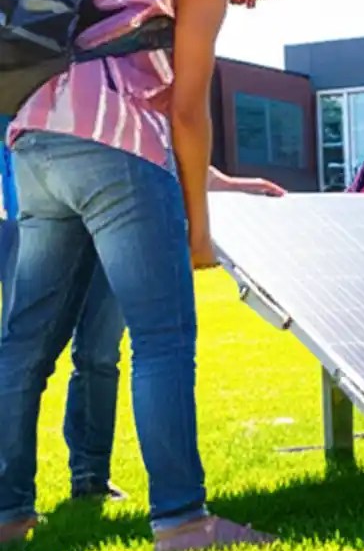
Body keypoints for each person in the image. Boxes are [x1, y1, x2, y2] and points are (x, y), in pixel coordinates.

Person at [0, 0, 285, 551]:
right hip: (113, 148)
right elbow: (186, 111)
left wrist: (221, 184)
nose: (249, 1)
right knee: (163, 339)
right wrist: (199, 233)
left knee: (21, 348)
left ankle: (8, 513)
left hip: (37, 142)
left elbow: (123, 79)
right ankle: (183, 522)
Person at [0, 161, 284, 505]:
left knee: (99, 353)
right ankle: (9, 503)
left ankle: (90, 477)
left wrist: (217, 182)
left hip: (113, 214)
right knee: (25, 359)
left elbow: (152, 122)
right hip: (37, 219)